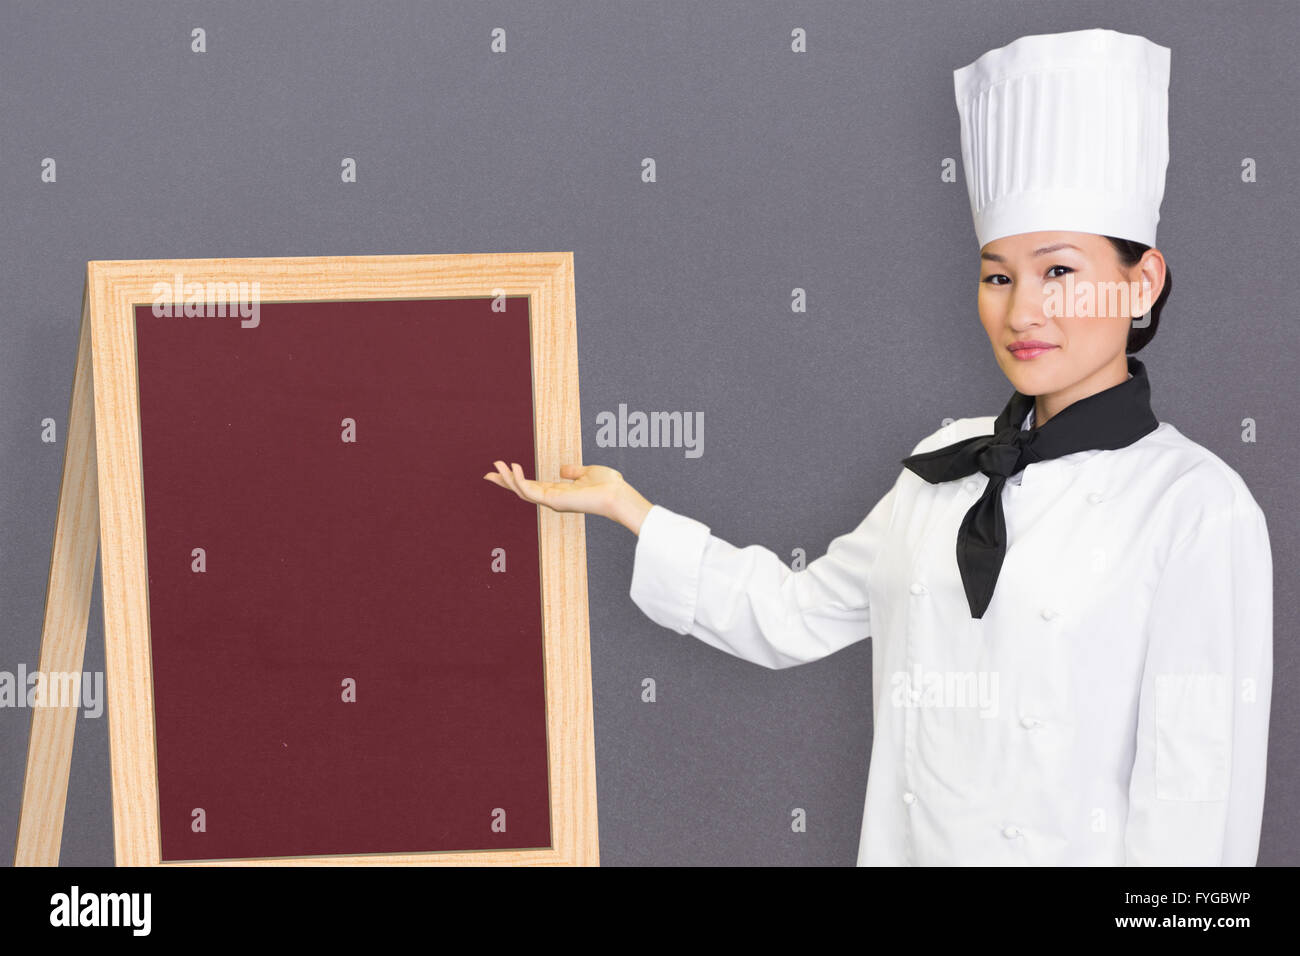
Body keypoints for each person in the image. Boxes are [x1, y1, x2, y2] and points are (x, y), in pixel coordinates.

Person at [483, 28, 1273, 866]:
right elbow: (791, 616)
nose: (1021, 313)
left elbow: (1195, 804)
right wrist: (626, 508)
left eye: (1059, 272)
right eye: (998, 276)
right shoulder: (948, 462)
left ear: (1140, 283)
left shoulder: (1196, 506)